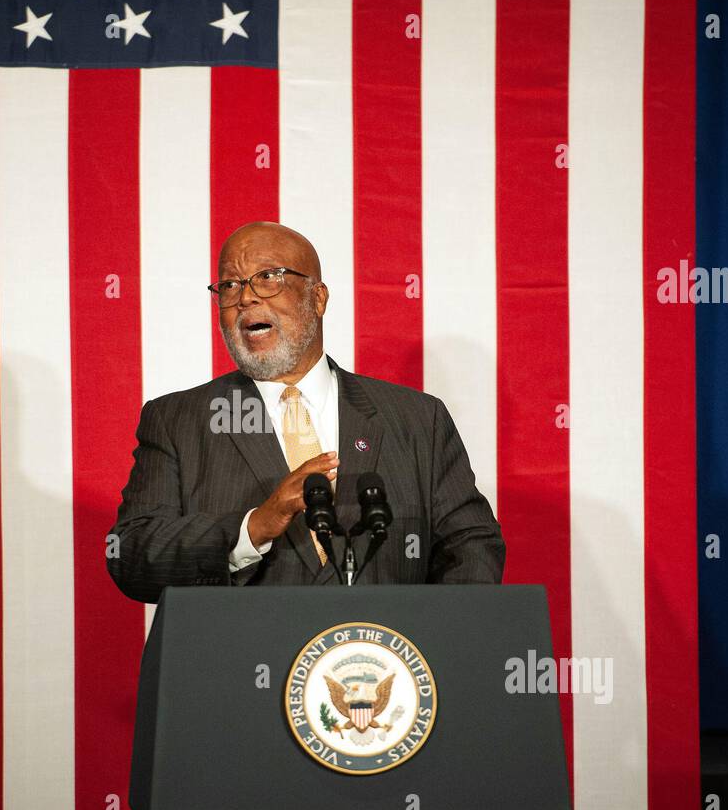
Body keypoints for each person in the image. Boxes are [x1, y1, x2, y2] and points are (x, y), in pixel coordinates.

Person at [106, 221, 505, 603]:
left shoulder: (418, 419)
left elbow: (471, 548)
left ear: (317, 298)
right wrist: (254, 528)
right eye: (229, 285)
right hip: (240, 667)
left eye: (268, 278)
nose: (245, 298)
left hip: (382, 663)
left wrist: (428, 645)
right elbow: (132, 554)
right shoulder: (178, 420)